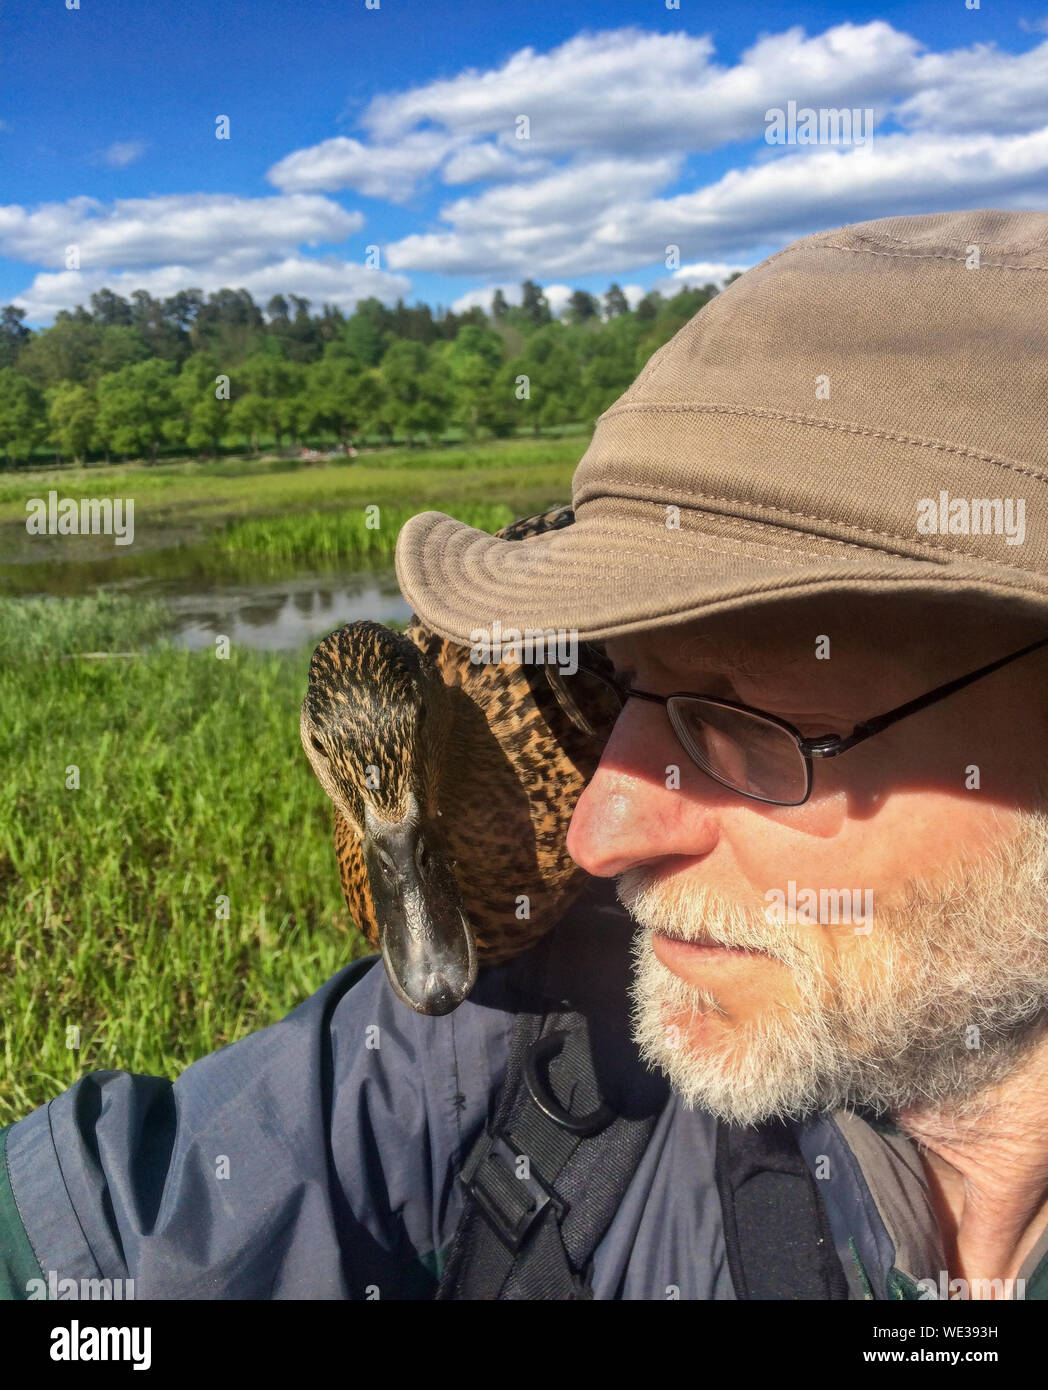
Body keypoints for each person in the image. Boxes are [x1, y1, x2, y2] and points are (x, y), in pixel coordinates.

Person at [4, 208, 1048, 1301]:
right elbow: (121, 1221)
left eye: (750, 726)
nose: (597, 836)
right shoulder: (521, 1045)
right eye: (622, 686)